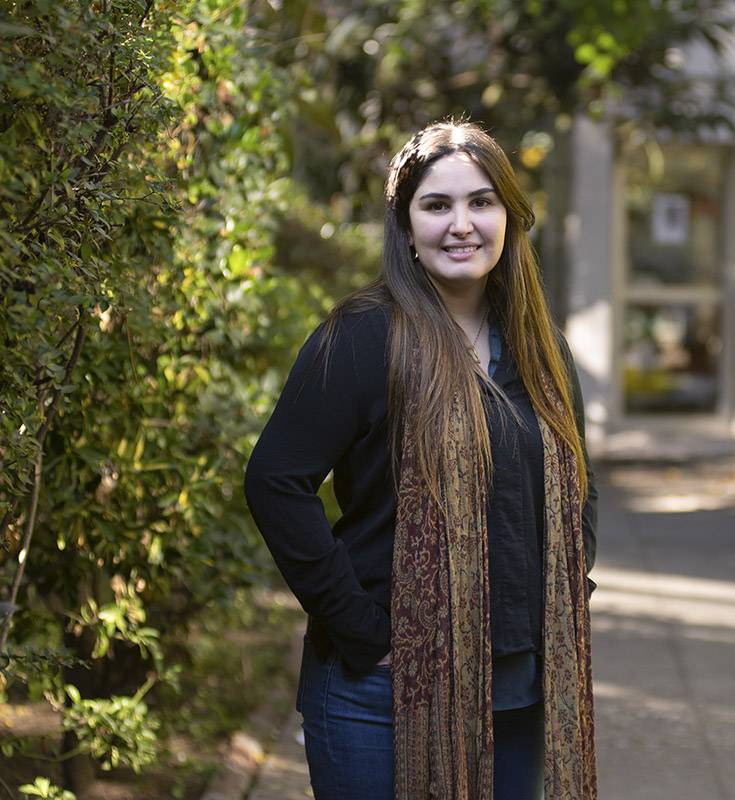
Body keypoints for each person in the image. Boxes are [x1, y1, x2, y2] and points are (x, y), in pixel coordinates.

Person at [243, 118, 598, 800]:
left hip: (520, 690)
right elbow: (275, 481)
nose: (461, 224)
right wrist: (364, 630)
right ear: (406, 227)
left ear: (510, 220)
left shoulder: (540, 349)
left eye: (481, 202)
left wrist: (566, 593)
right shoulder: (361, 336)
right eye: (437, 205)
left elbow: (577, 483)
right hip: (382, 691)